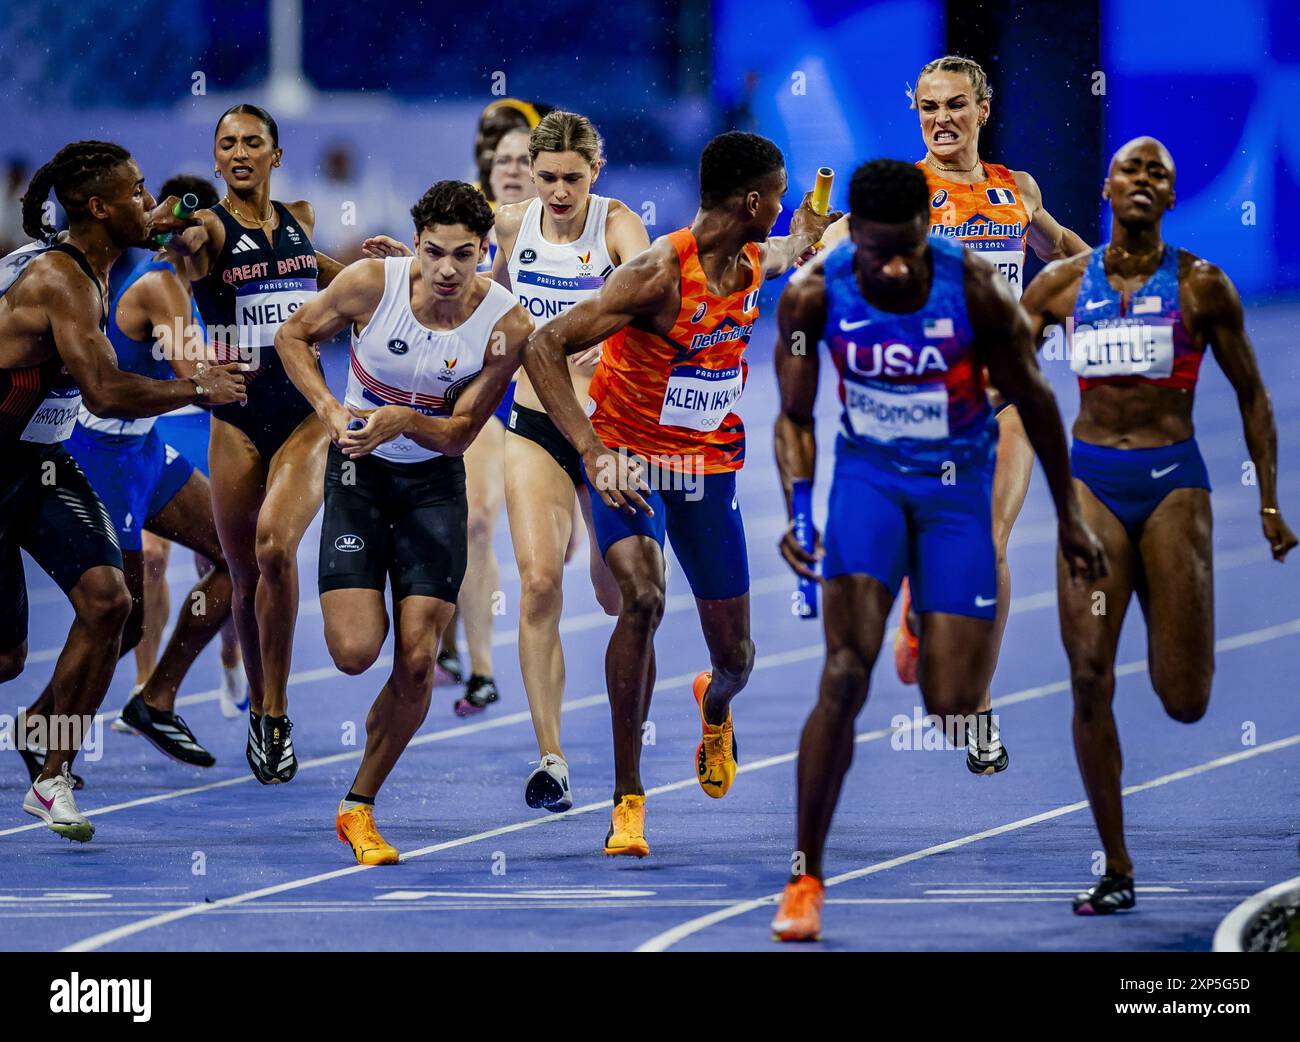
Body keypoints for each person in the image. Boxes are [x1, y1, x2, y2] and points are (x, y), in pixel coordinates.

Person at [768, 159, 1105, 941]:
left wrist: (1071, 519)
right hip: (870, 483)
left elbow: (1035, 395)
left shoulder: (978, 285)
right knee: (844, 674)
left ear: (929, 227)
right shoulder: (818, 290)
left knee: (951, 704)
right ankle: (806, 876)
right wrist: (798, 511)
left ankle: (924, 618)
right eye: (875, 251)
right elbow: (794, 417)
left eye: (903, 251)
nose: (888, 266)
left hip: (957, 492)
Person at [522, 131, 839, 857]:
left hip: (708, 470)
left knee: (738, 659)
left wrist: (808, 237)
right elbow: (543, 346)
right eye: (780, 194)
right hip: (632, 461)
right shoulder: (657, 273)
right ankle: (628, 800)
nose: (787, 203)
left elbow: (797, 247)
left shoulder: (758, 255)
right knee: (643, 598)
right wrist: (594, 454)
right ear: (752, 201)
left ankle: (714, 704)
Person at [1019, 136, 1296, 914]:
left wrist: (1269, 503)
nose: (1143, 181)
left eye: (1159, 175)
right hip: (1094, 487)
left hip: (1175, 487)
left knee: (1185, 699)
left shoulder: (1204, 287)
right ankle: (1116, 864)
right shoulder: (1061, 288)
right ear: (1105, 188)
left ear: (1171, 198)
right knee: (1087, 674)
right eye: (1131, 170)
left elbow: (1254, 396)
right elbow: (999, 373)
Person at [817, 54, 1092, 773]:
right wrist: (812, 240)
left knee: (990, 548)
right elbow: (829, 247)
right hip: (920, 404)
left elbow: (1064, 255)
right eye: (929, 107)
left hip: (1000, 400)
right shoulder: (906, 192)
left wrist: (1127, 284)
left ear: (983, 111)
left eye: (955, 105)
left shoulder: (1015, 190)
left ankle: (977, 699)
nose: (941, 119)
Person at [277, 181, 531, 863]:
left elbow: (455, 437)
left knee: (417, 661)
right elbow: (292, 335)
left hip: (431, 482)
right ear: (415, 243)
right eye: (434, 252)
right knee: (356, 653)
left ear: (486, 252)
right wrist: (333, 411)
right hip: (359, 476)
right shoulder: (370, 284)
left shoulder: (507, 323)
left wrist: (399, 421)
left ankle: (359, 805)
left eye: (464, 255)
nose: (448, 269)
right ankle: (385, 712)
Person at [1, 140, 244, 840]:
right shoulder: (62, 282)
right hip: (25, 459)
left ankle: (52, 776)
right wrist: (197, 386)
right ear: (99, 207)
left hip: (42, 461)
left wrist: (174, 214)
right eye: (138, 192)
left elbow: (158, 218)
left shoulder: (92, 251)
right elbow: (105, 394)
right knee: (7, 658)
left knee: (110, 604)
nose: (152, 202)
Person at [170, 104, 344, 784]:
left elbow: (313, 269)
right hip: (236, 418)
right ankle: (262, 707)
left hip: (302, 411)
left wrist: (383, 275)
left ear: (276, 153)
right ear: (216, 160)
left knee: (276, 546)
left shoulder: (299, 214)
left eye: (252, 142)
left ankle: (276, 709)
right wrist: (171, 225)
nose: (239, 151)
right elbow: (184, 242)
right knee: (243, 576)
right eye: (226, 143)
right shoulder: (208, 227)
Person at [492, 110, 646, 810]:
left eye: (571, 179)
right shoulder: (509, 223)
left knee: (616, 593)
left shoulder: (617, 227)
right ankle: (551, 757)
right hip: (533, 425)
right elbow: (478, 295)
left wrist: (610, 338)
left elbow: (651, 301)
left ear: (596, 172)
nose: (557, 192)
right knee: (536, 583)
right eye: (546, 177)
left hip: (609, 430)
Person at [146, 177, 246, 722]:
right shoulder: (149, 277)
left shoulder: (226, 276)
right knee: (152, 562)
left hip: (216, 425)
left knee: (221, 559)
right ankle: (147, 687)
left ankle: (231, 651)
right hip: (160, 426)